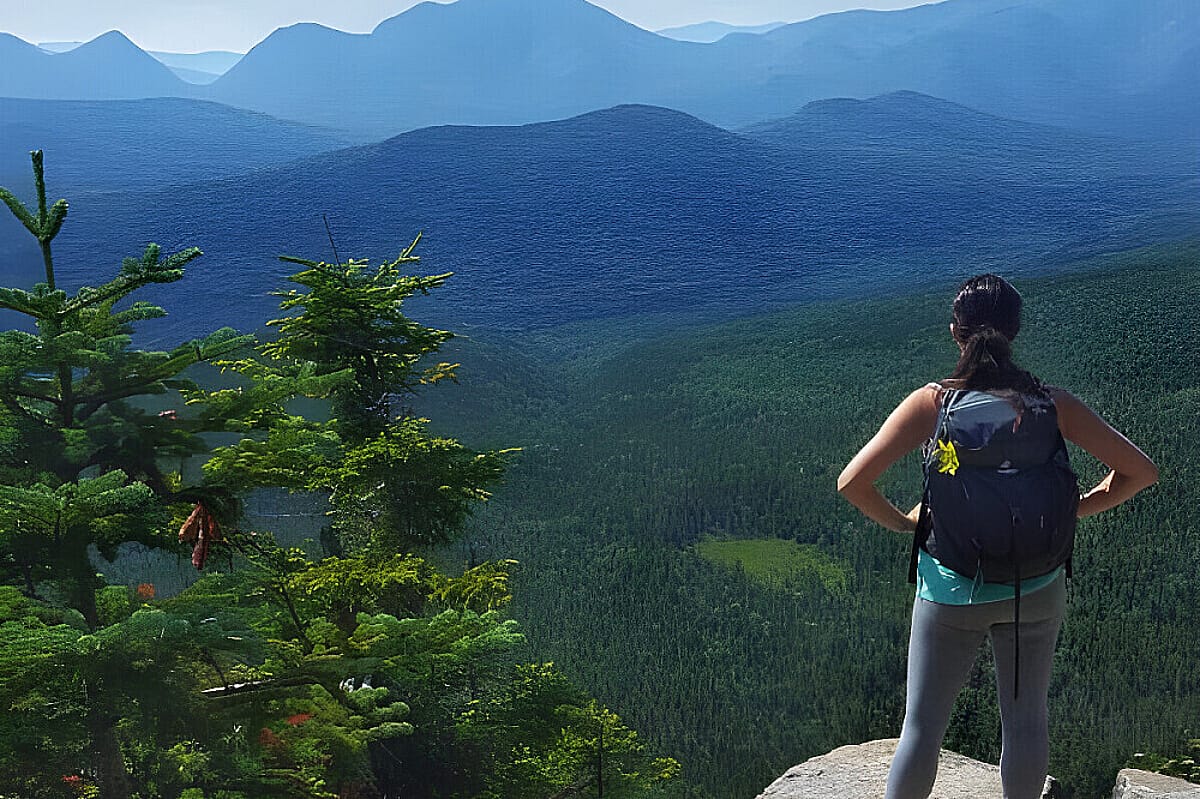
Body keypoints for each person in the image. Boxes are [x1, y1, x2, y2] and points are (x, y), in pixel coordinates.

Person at [836, 274, 1158, 799]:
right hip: (1035, 586)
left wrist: (907, 522)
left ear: (954, 333)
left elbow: (852, 482)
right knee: (1026, 720)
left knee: (921, 729)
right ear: (1015, 331)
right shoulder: (1053, 405)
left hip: (949, 588)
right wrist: (1075, 509)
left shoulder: (933, 403)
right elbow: (1140, 472)